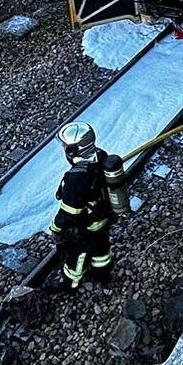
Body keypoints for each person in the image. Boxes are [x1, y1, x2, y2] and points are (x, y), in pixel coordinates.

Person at [46, 122, 116, 290]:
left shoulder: (76, 177)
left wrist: (55, 229)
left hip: (87, 224)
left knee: (77, 254)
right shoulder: (101, 155)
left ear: (74, 150)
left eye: (66, 147)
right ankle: (102, 272)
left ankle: (70, 283)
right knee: (101, 247)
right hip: (104, 218)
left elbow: (68, 213)